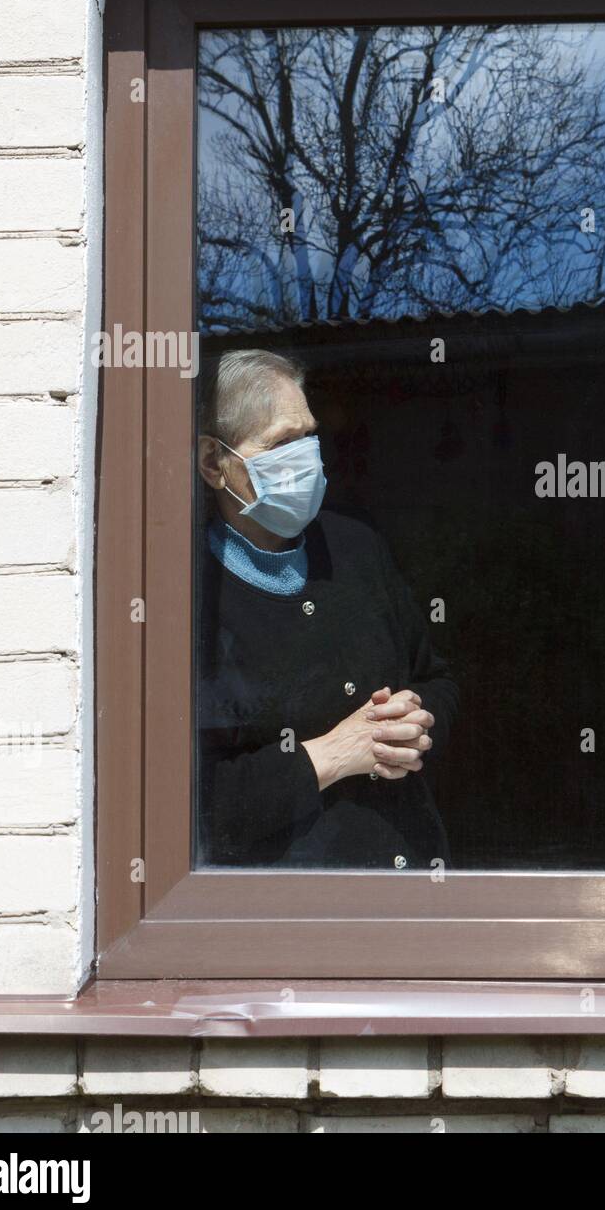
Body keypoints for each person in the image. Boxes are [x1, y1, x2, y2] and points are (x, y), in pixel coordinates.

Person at [194, 348, 457, 868]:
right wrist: (330, 756)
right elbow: (194, 803)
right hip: (287, 909)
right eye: (281, 443)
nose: (307, 456)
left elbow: (438, 679)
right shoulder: (188, 593)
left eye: (309, 435)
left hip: (408, 870)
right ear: (212, 463)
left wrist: (416, 721)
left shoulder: (356, 548)